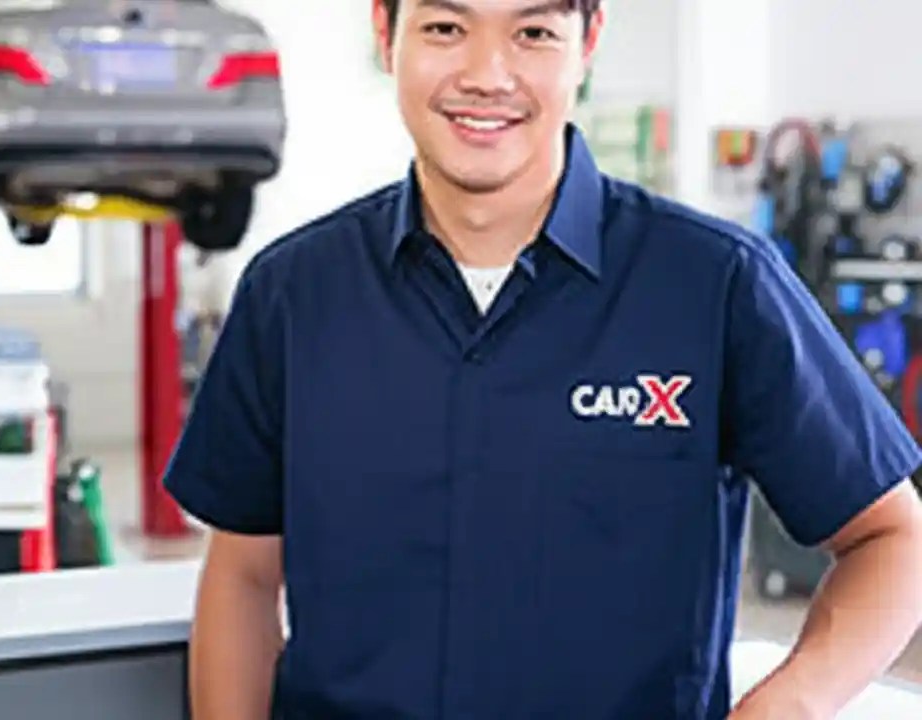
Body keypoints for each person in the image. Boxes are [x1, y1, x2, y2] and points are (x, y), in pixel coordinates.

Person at [162, 0, 922, 717]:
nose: (488, 74)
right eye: (446, 28)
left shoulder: (715, 284)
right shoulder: (295, 293)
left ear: (587, 42)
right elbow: (244, 573)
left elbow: (893, 538)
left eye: (533, 33)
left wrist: (784, 705)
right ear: (384, 32)